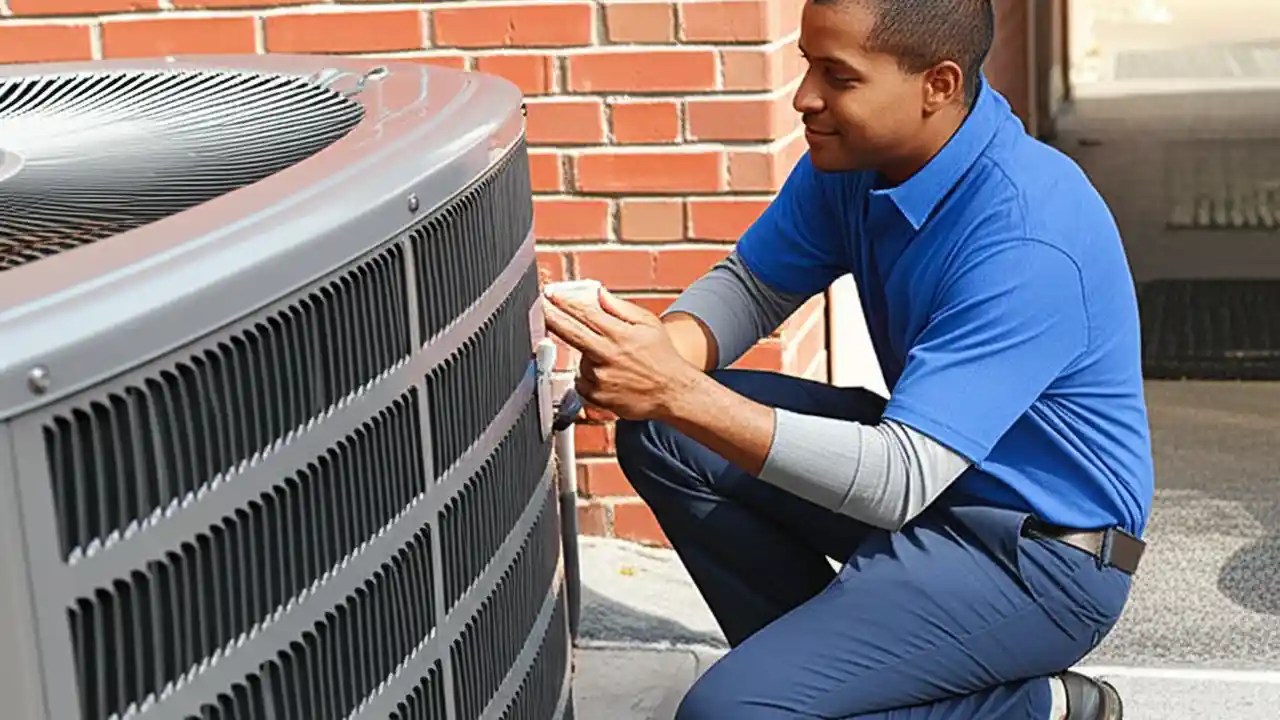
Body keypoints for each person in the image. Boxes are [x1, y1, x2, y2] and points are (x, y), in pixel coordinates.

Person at [541, 0, 1153, 717]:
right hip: (937, 492)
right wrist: (649, 355)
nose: (805, 97)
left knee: (723, 713)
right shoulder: (861, 161)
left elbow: (896, 479)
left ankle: (1027, 707)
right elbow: (752, 286)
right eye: (807, 64)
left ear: (939, 84)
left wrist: (675, 388)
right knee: (665, 435)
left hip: (1038, 558)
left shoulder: (1027, 236)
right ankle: (821, 684)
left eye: (838, 76)